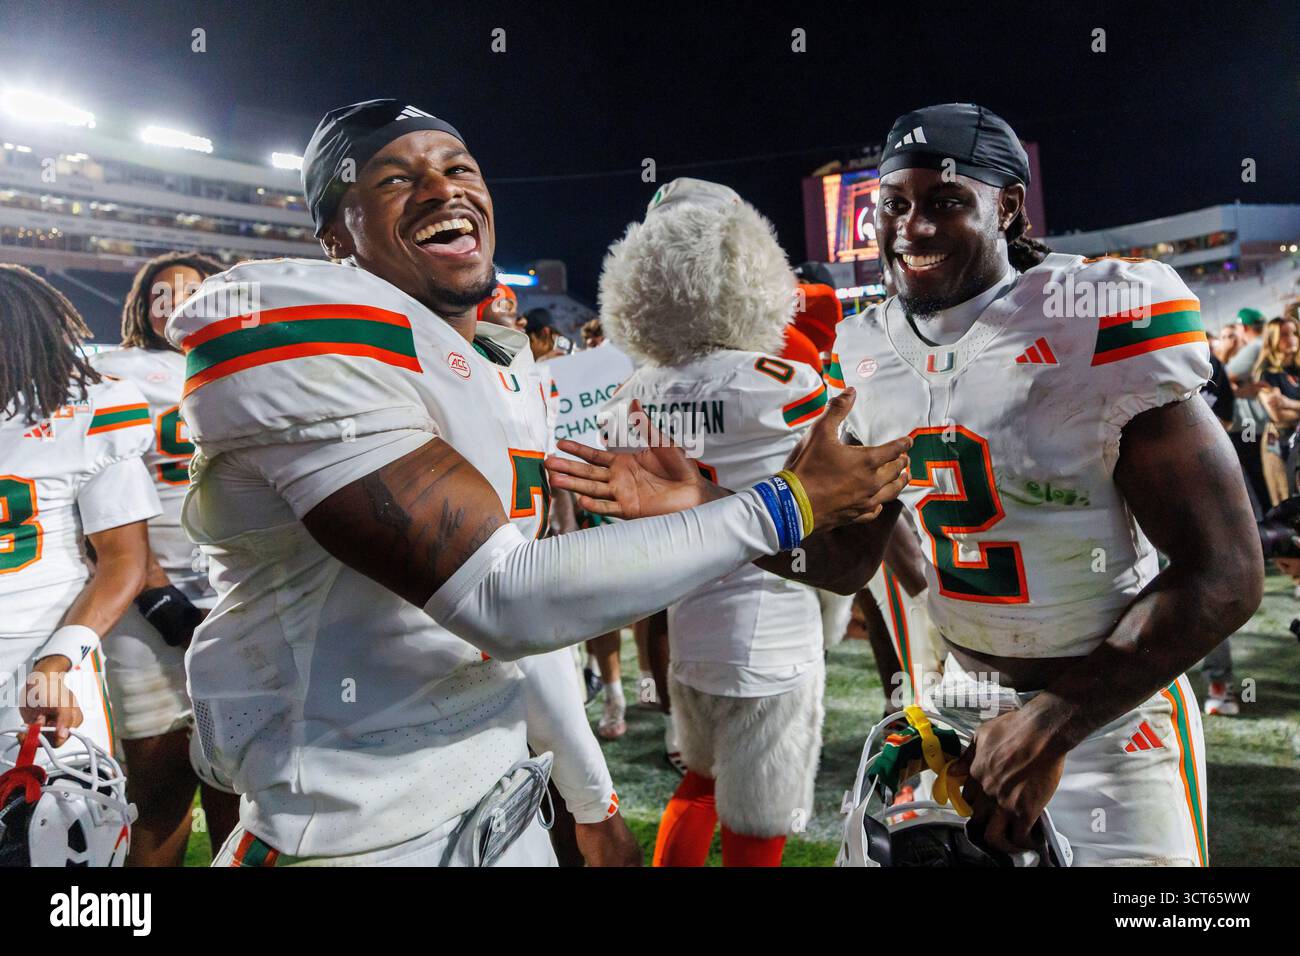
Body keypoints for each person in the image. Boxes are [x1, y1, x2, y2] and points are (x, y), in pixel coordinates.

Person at [168, 98, 908, 868]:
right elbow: (498, 599)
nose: (442, 189)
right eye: (395, 178)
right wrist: (783, 505)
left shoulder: (497, 366)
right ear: (334, 235)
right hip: (350, 836)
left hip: (500, 803)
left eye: (459, 168)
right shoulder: (305, 336)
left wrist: (591, 797)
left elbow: (538, 620)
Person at [553, 103, 1263, 866]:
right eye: (894, 204)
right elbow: (850, 560)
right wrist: (707, 509)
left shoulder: (1092, 316)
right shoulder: (866, 349)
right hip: (962, 703)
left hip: (1110, 716)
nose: (911, 226)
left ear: (1008, 206)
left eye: (945, 202)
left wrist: (1055, 721)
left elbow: (1226, 574)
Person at [598, 178, 834, 867]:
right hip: (771, 624)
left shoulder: (628, 397)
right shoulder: (781, 383)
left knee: (699, 783)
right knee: (759, 814)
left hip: (687, 621)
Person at [0, 264, 161, 864]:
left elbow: (123, 561)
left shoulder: (89, 407)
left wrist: (57, 660)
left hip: (38, 667)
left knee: (60, 850)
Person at [90, 252, 241, 865]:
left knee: (239, 786)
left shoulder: (246, 365)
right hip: (139, 597)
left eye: (191, 288)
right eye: (161, 289)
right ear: (139, 304)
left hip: (238, 592)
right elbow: (91, 496)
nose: (173, 298)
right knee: (158, 786)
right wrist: (154, 592)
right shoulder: (113, 371)